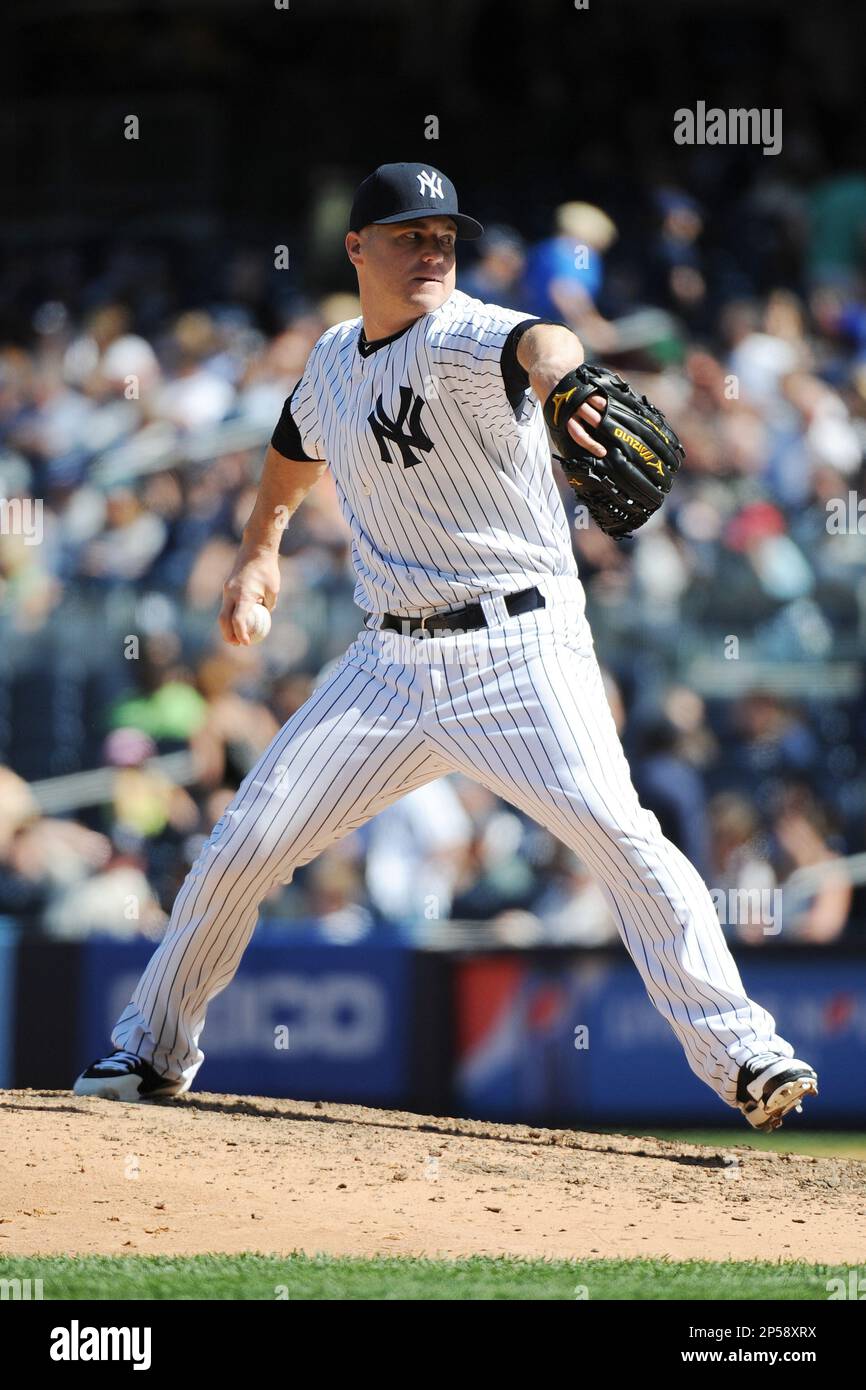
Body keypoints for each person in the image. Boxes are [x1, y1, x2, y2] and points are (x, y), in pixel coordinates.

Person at [74, 162, 818, 1132]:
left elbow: (537, 343)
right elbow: (290, 449)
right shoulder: (332, 360)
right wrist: (258, 552)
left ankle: (743, 1051)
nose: (430, 250)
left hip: (520, 648)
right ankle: (153, 1048)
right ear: (356, 248)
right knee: (243, 842)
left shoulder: (472, 334)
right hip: (386, 663)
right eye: (407, 234)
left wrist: (564, 381)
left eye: (442, 236)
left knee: (619, 834)